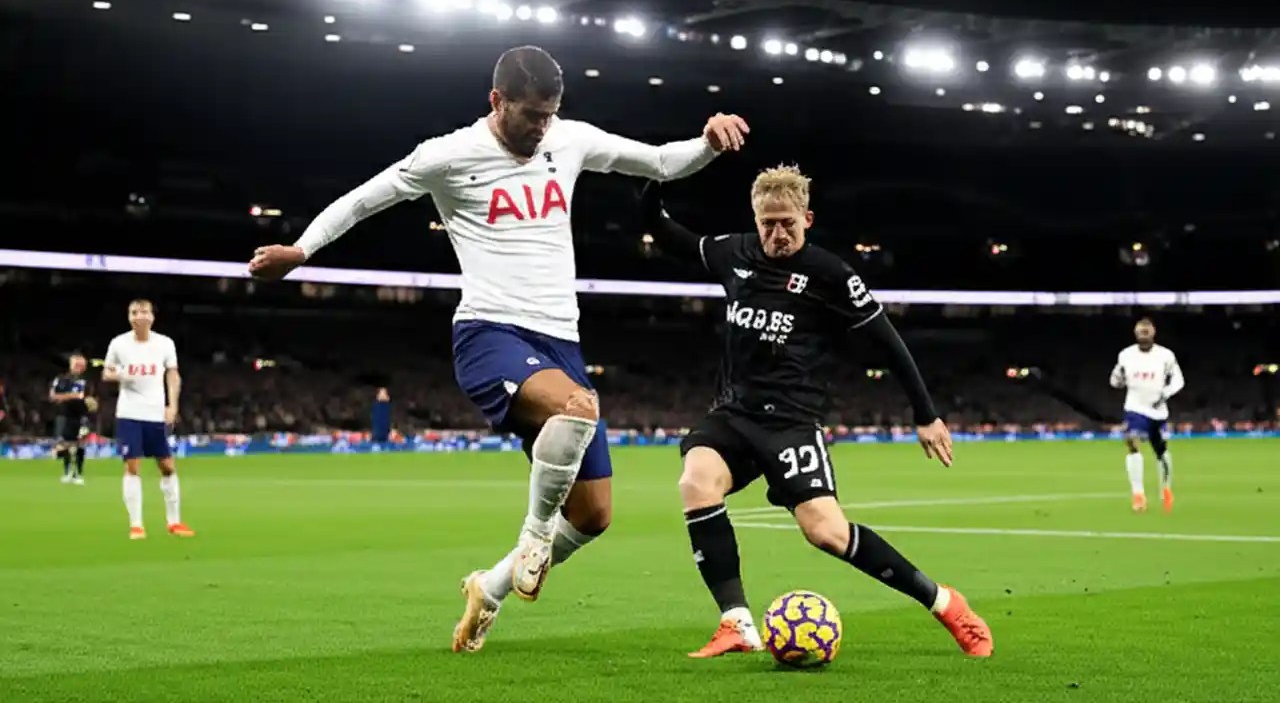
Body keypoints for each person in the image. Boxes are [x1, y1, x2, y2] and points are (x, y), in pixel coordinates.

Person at [246, 45, 748, 653]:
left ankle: (489, 587)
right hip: (490, 334)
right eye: (530, 115)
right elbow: (363, 198)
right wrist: (301, 250)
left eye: (549, 115)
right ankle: (534, 537)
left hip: (561, 340)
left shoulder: (571, 139)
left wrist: (709, 143)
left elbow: (662, 163)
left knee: (593, 515)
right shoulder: (449, 155)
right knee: (577, 409)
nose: (541, 128)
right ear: (497, 101)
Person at [640, 167, 993, 659]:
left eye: (787, 223)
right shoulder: (732, 252)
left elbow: (889, 343)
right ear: (755, 219)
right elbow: (665, 232)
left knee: (826, 532)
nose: (777, 234)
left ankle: (945, 603)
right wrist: (655, 178)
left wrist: (925, 414)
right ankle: (736, 622)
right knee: (695, 481)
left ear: (807, 219)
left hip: (792, 423)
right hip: (734, 416)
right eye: (767, 223)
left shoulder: (832, 275)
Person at [102, 299, 195, 540]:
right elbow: (106, 372)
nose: (138, 316)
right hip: (129, 412)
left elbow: (173, 375)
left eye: (143, 312)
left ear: (152, 317)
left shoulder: (164, 343)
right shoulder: (119, 343)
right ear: (128, 316)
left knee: (167, 466)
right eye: (133, 312)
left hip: (155, 413)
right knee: (132, 466)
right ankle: (136, 524)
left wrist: (172, 406)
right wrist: (123, 374)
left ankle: (174, 522)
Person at [1109, 318, 1184, 513]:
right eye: (1140, 329)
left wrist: (1165, 394)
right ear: (1135, 333)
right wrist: (1118, 379)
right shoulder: (1126, 355)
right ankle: (1138, 494)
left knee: (1160, 451)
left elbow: (1179, 380)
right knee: (1132, 441)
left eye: (1147, 329)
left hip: (1157, 410)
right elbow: (1115, 380)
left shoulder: (1165, 355)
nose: (1144, 332)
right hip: (1134, 407)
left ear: (1153, 332)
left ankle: (1166, 490)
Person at [49, 354, 91, 485]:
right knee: (66, 444)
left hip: (82, 417)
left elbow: (89, 399)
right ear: (71, 365)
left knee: (80, 445)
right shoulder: (61, 379)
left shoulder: (87, 381)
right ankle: (67, 472)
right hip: (66, 415)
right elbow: (53, 396)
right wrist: (73, 396)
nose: (79, 367)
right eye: (76, 364)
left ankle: (78, 473)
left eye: (81, 365)